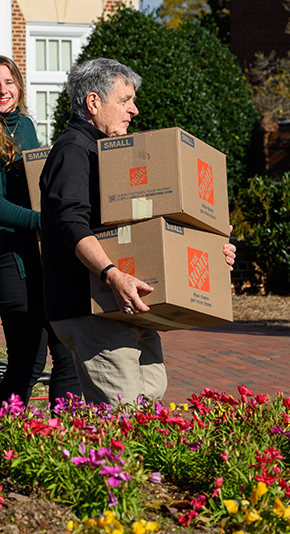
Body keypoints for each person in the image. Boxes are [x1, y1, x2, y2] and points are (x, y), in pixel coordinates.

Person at [39, 58, 236, 405]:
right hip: (91, 305)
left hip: (128, 305)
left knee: (150, 399)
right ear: (93, 102)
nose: (135, 109)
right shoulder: (73, 151)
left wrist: (209, 247)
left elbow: (150, 227)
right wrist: (113, 276)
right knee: (122, 411)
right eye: (125, 99)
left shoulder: (110, 155)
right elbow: (71, 224)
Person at [0, 55, 80, 410]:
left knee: (67, 352)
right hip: (11, 260)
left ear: (19, 85)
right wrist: (44, 222)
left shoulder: (27, 127)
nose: (4, 90)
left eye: (9, 82)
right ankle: (0, 436)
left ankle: (67, 438)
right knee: (28, 359)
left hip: (46, 256)